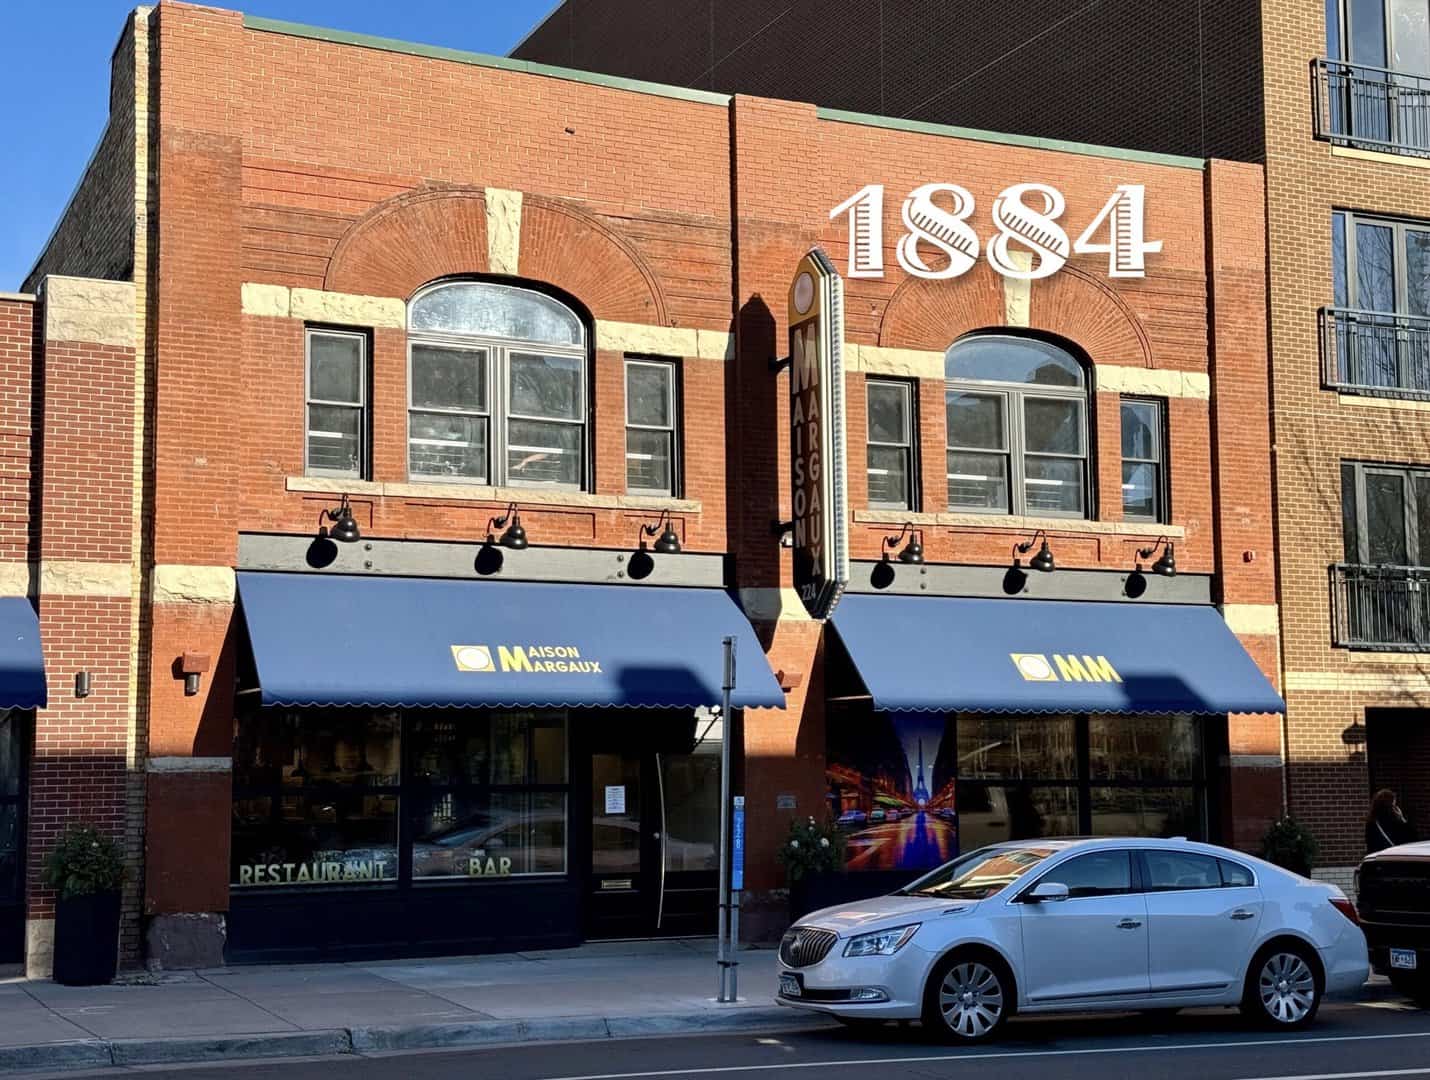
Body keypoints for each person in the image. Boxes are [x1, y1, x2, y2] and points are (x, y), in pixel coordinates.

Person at [1366, 789, 1415, 853]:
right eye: (1394, 805)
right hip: (1392, 857)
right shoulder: (1396, 823)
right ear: (1390, 806)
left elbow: (1370, 845)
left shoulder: (1371, 822)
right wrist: (1402, 819)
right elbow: (1412, 839)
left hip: (1377, 858)